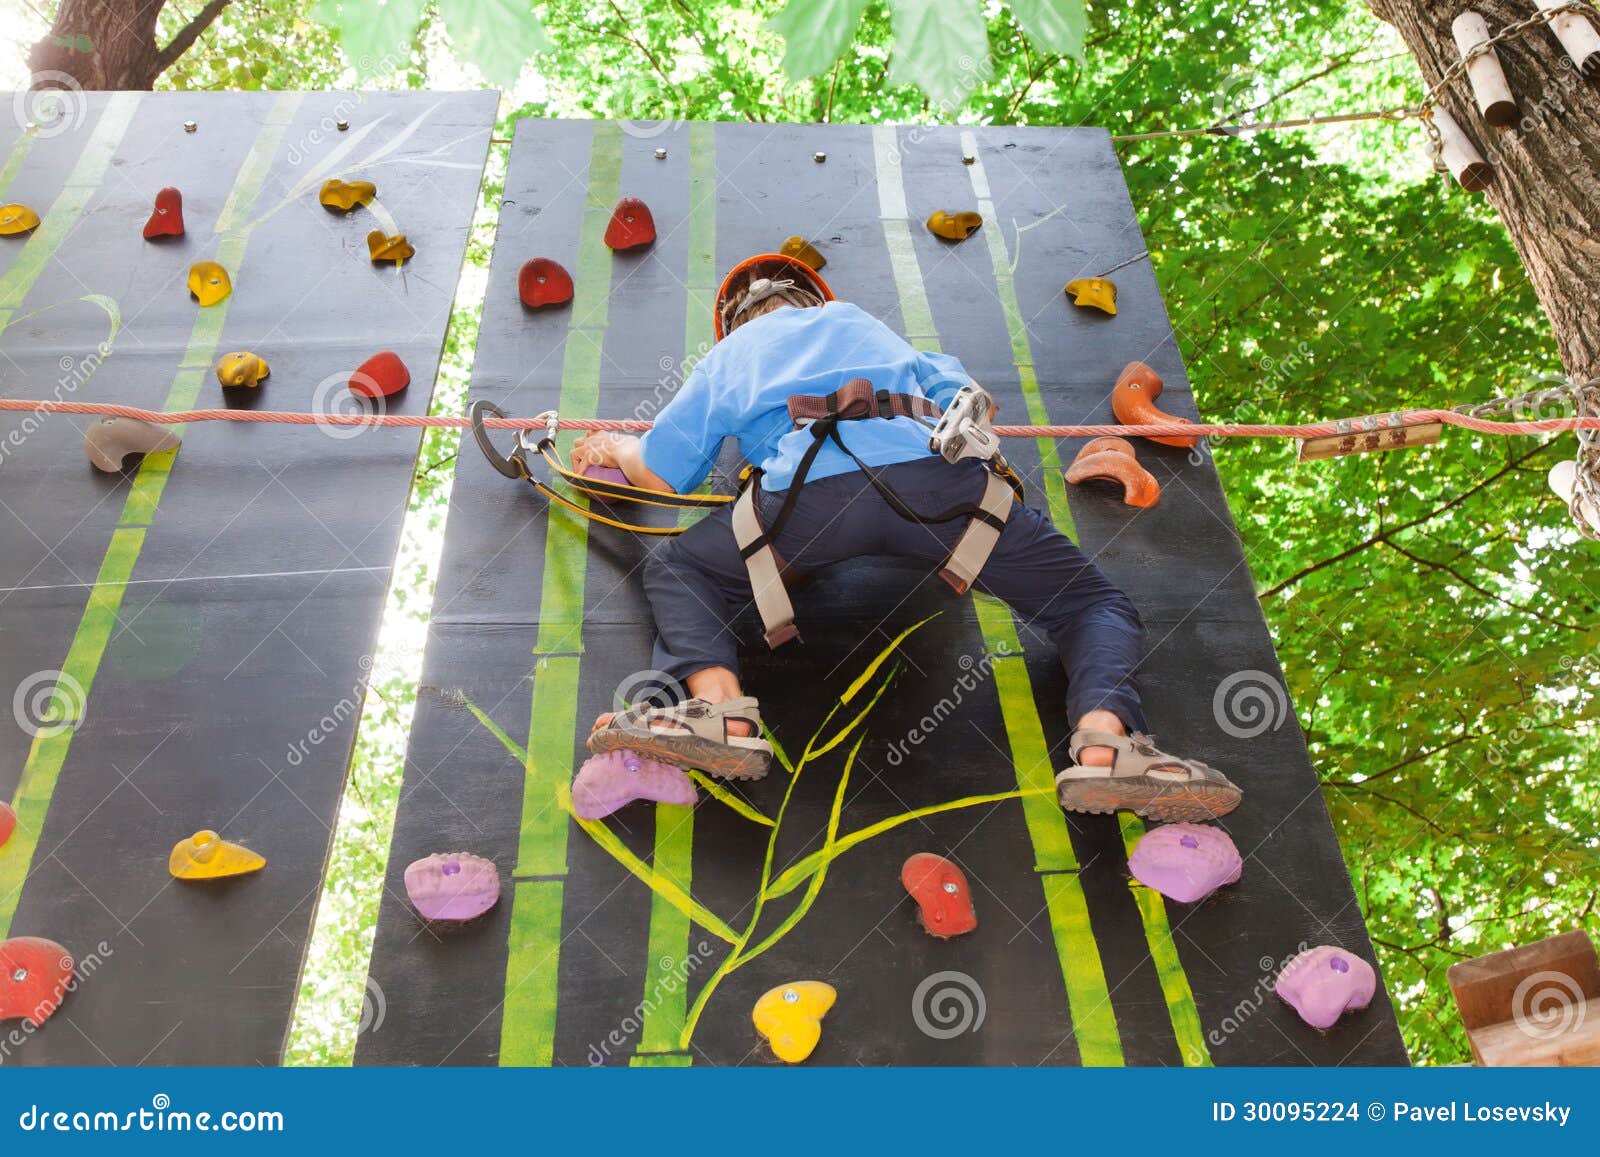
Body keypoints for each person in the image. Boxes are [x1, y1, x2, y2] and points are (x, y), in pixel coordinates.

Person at [577, 254, 1241, 823]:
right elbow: (971, 405)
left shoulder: (732, 355)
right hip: (943, 494)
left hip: (804, 505)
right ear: (814, 299)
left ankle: (718, 710)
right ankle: (1103, 744)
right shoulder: (871, 329)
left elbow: (662, 475)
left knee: (682, 569)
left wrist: (615, 445)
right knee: (1092, 605)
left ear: (735, 321)